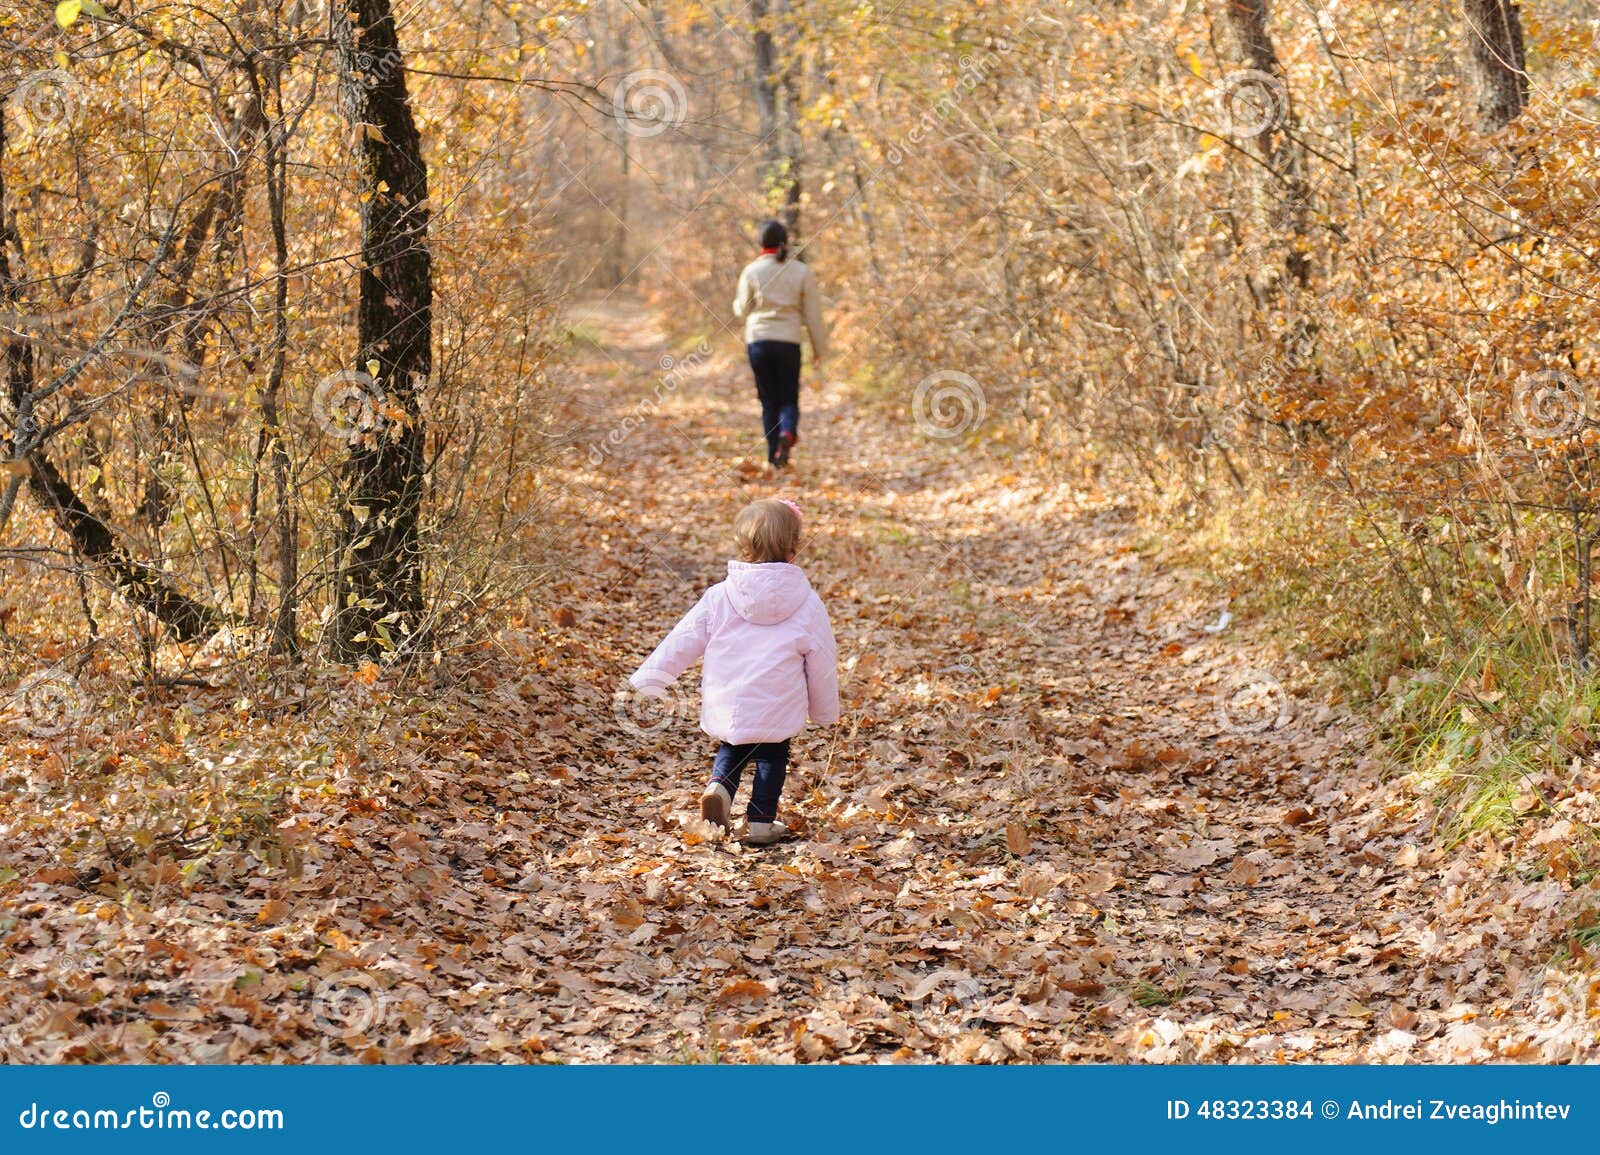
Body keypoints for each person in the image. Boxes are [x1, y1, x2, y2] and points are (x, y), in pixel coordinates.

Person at [629, 498, 840, 845]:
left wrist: (651, 678)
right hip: (779, 701)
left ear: (742, 546)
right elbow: (822, 660)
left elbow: (683, 639)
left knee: (733, 747)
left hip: (729, 698)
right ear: (793, 547)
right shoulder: (807, 602)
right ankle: (760, 821)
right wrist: (824, 711)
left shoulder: (719, 596)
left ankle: (719, 788)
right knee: (773, 755)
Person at [732, 220, 829, 468]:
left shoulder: (751, 271)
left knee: (768, 400)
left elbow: (742, 310)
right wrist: (820, 349)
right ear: (784, 243)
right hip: (788, 341)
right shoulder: (800, 271)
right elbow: (813, 315)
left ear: (760, 243)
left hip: (759, 342)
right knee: (788, 397)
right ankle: (787, 432)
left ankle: (771, 455)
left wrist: (737, 306)